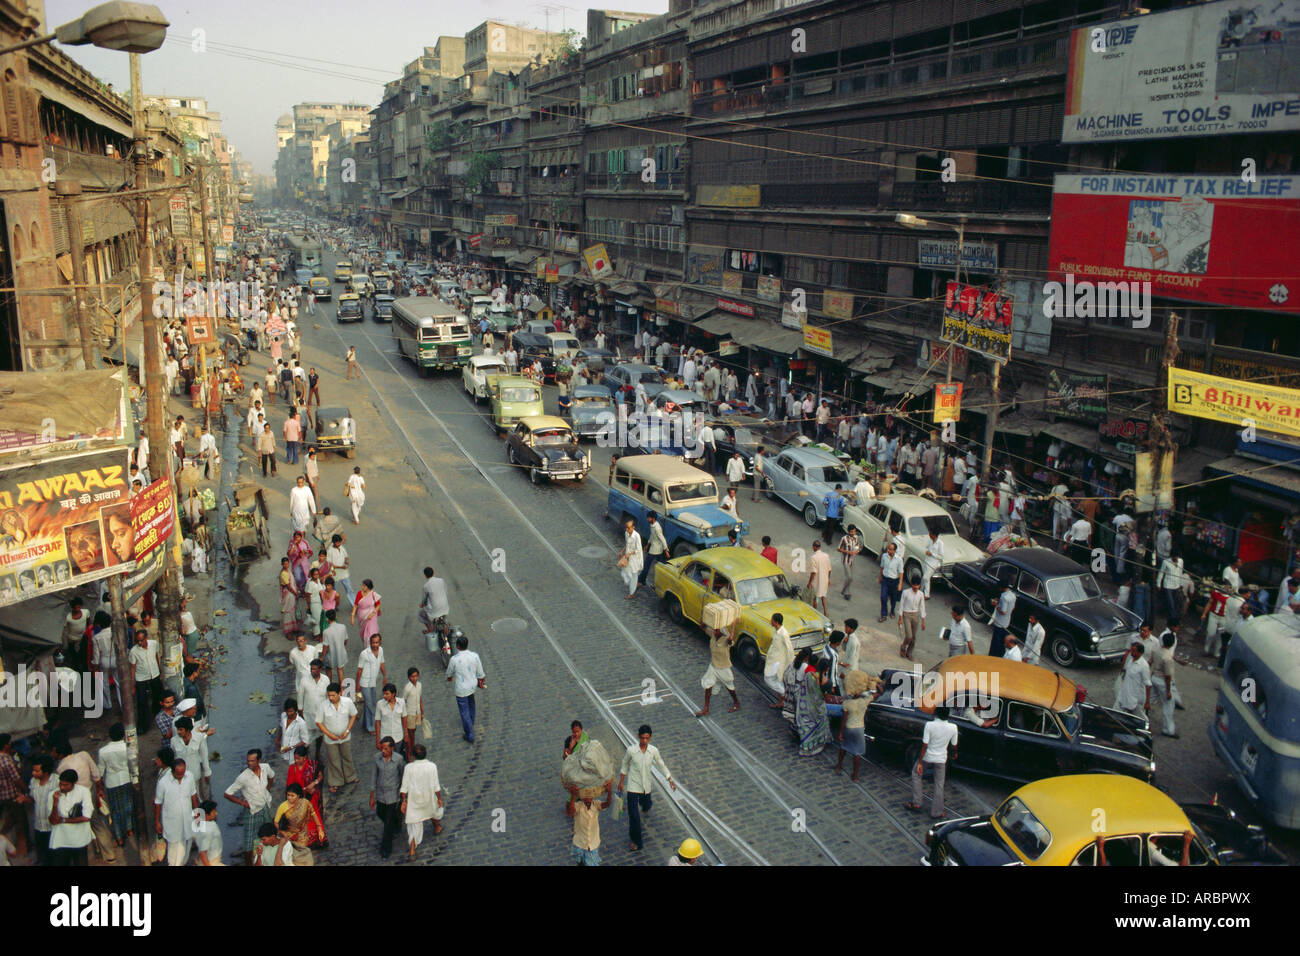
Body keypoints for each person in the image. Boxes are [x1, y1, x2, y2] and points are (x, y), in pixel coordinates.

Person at [617, 724, 676, 852]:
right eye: (642, 738)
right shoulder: (631, 750)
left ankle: (646, 805)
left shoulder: (653, 751)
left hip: (646, 786)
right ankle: (636, 840)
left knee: (646, 803)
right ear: (638, 736)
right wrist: (621, 781)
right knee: (634, 816)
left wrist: (669, 779)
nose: (644, 741)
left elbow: (661, 764)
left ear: (650, 738)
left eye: (647, 738)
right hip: (633, 786)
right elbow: (624, 764)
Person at [223, 749, 276, 866]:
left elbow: (272, 777)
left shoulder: (265, 768)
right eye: (248, 761)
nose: (249, 763)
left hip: (265, 807)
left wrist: (267, 791)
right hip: (252, 811)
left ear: (259, 760)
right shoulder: (243, 777)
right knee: (248, 843)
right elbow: (227, 794)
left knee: (268, 835)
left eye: (252, 761)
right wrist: (243, 803)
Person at [907, 705, 958, 819]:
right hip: (941, 759)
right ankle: (936, 812)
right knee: (939, 784)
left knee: (916, 774)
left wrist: (920, 762)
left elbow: (925, 745)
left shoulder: (929, 725)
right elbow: (954, 746)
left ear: (936, 714)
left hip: (927, 757)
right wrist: (954, 754)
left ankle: (917, 802)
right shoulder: (953, 727)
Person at [400, 744, 444, 857]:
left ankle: (412, 850)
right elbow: (436, 786)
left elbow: (404, 788)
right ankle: (437, 827)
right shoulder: (432, 766)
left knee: (414, 825)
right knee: (432, 810)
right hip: (428, 797)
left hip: (414, 800)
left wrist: (404, 801)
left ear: (413, 756)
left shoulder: (408, 768)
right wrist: (439, 798)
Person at [154, 757, 199, 866]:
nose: (181, 776)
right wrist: (157, 822)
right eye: (178, 774)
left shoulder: (189, 777)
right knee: (174, 847)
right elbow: (158, 803)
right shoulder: (163, 783)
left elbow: (193, 795)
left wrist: (197, 813)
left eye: (183, 773)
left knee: (187, 843)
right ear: (172, 771)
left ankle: (181, 863)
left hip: (187, 819)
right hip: (172, 823)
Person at [316, 683, 359, 793]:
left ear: (339, 693)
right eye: (329, 696)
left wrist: (347, 730)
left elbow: (354, 715)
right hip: (330, 739)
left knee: (347, 756)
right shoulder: (323, 705)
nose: (331, 698)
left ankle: (350, 776)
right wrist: (330, 735)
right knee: (333, 760)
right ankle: (336, 782)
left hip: (345, 736)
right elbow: (319, 722)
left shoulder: (347, 702)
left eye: (333, 695)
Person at [47, 769, 94, 866]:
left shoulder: (83, 791)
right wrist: (55, 803)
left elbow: (86, 817)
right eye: (60, 784)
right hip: (61, 838)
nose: (62, 787)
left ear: (74, 783)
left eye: (65, 785)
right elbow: (53, 821)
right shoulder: (53, 794)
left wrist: (64, 820)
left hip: (79, 838)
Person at [97, 723, 133, 847]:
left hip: (111, 782)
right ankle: (129, 828)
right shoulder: (127, 747)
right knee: (127, 805)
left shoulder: (103, 751)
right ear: (123, 735)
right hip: (126, 778)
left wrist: (99, 788)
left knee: (115, 809)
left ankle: (119, 836)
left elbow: (100, 771)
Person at [695, 622, 741, 717]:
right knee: (708, 685)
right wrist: (706, 617)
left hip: (723, 668)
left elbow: (731, 639)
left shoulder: (726, 639)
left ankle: (736, 703)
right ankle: (706, 709)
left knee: (730, 687)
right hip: (713, 666)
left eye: (717, 630)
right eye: (714, 630)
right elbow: (702, 626)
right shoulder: (712, 635)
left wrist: (733, 625)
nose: (715, 632)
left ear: (721, 631)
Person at [370, 737, 405, 859]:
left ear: (392, 748)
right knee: (381, 813)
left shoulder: (399, 760)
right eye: (382, 748)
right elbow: (374, 776)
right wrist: (372, 796)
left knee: (387, 824)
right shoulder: (377, 758)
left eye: (386, 748)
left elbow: (402, 777)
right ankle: (396, 823)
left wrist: (402, 795)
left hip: (392, 795)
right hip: (380, 794)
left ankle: (386, 848)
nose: (383, 751)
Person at [447, 635, 486, 743]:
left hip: (461, 689)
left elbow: (449, 673)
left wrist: (449, 677)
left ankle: (470, 733)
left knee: (464, 711)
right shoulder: (475, 656)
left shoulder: (454, 659)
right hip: (472, 686)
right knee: (471, 704)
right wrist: (481, 682)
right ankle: (471, 722)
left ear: (458, 646)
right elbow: (481, 673)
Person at [835, 671, 873, 781]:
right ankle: (855, 776)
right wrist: (870, 682)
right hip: (859, 729)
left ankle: (838, 766)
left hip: (848, 728)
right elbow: (878, 692)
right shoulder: (864, 701)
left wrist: (841, 732)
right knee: (857, 754)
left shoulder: (847, 703)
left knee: (844, 747)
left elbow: (844, 719)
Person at [793, 653, 831, 756]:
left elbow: (803, 688)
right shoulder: (827, 682)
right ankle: (819, 744)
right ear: (827, 669)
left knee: (807, 726)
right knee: (822, 724)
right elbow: (826, 697)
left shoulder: (809, 675)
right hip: (819, 707)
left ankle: (807, 746)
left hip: (807, 706)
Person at [171, 717, 211, 800]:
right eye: (178, 729)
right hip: (180, 775)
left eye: (181, 730)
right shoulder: (174, 741)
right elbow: (173, 758)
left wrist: (207, 772)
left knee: (197, 796)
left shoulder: (199, 738)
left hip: (195, 774)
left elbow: (204, 755)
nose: (178, 732)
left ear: (188, 730)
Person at [1115, 640, 1152, 718]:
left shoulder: (1144, 666)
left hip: (1136, 698)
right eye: (1131, 650)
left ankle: (1147, 728)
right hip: (1125, 693)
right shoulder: (1130, 660)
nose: (1131, 652)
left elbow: (1148, 685)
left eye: (1134, 651)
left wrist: (1147, 702)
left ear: (1140, 653)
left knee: (1140, 718)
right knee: (1116, 712)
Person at [898, 578, 926, 660]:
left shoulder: (921, 594)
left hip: (915, 615)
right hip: (906, 614)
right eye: (914, 585)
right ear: (911, 584)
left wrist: (923, 621)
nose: (916, 587)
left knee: (913, 637)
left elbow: (922, 607)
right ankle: (903, 646)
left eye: (917, 585)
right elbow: (901, 605)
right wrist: (900, 618)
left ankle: (909, 652)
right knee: (909, 636)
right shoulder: (905, 592)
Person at [878, 541, 904, 623]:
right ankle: (883, 614)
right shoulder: (884, 556)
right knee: (883, 597)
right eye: (888, 549)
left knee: (893, 599)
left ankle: (892, 611)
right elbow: (881, 567)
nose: (889, 551)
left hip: (894, 581)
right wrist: (880, 576)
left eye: (891, 549)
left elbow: (901, 572)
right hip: (885, 580)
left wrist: (900, 584)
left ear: (895, 550)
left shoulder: (899, 560)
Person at [989, 581, 1016, 657]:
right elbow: (1012, 608)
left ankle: (993, 656)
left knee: (996, 643)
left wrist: (996, 605)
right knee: (1003, 643)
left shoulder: (1004, 597)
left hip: (1000, 623)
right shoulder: (1012, 595)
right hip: (1006, 622)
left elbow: (1003, 611)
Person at [327, 534, 354, 607]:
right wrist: (341, 567)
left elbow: (346, 556)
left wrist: (346, 561)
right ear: (334, 542)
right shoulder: (330, 551)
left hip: (344, 574)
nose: (339, 544)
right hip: (335, 575)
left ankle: (354, 604)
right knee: (334, 591)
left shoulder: (341, 547)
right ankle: (333, 605)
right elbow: (330, 565)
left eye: (340, 542)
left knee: (349, 589)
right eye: (337, 542)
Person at [619, 518, 643, 599]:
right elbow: (627, 544)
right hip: (628, 557)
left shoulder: (637, 536)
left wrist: (630, 553)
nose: (627, 529)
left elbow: (638, 549)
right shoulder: (626, 533)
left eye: (629, 528)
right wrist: (622, 551)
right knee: (626, 571)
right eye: (626, 527)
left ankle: (632, 593)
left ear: (633, 527)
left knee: (634, 574)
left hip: (635, 558)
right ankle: (635, 584)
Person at [194, 801, 223, 865]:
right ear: (206, 814)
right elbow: (203, 853)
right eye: (214, 812)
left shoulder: (204, 825)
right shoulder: (208, 829)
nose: (216, 813)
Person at [807, 539, 831, 616]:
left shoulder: (813, 557)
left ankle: (815, 613)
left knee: (815, 598)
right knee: (823, 596)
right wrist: (828, 579)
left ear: (814, 547)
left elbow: (813, 572)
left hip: (817, 581)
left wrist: (809, 582)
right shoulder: (826, 556)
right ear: (819, 547)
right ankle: (826, 612)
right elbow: (829, 569)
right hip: (825, 579)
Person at [838, 523, 861, 599]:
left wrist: (857, 551)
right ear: (848, 531)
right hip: (845, 560)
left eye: (854, 532)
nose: (853, 533)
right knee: (850, 577)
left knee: (849, 577)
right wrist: (848, 552)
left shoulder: (856, 538)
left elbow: (858, 547)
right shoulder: (844, 539)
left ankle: (847, 592)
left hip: (852, 560)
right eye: (851, 532)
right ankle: (844, 590)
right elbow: (838, 549)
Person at [921, 529, 944, 599]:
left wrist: (932, 554)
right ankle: (926, 594)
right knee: (927, 578)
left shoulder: (940, 543)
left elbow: (941, 556)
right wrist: (927, 552)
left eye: (930, 534)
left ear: (934, 535)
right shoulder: (930, 541)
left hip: (933, 563)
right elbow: (926, 548)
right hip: (927, 560)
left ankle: (920, 589)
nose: (929, 535)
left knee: (925, 577)